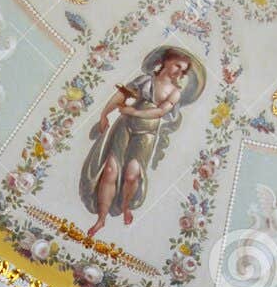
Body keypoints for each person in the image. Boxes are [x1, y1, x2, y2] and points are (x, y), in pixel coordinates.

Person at [81, 46, 202, 236]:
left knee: (131, 175)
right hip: (125, 126)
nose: (180, 72)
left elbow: (160, 111)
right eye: (177, 65)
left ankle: (126, 205)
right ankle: (101, 218)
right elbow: (121, 95)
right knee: (111, 170)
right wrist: (105, 114)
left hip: (146, 133)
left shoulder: (175, 92)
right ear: (165, 62)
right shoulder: (145, 80)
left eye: (183, 70)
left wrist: (135, 112)